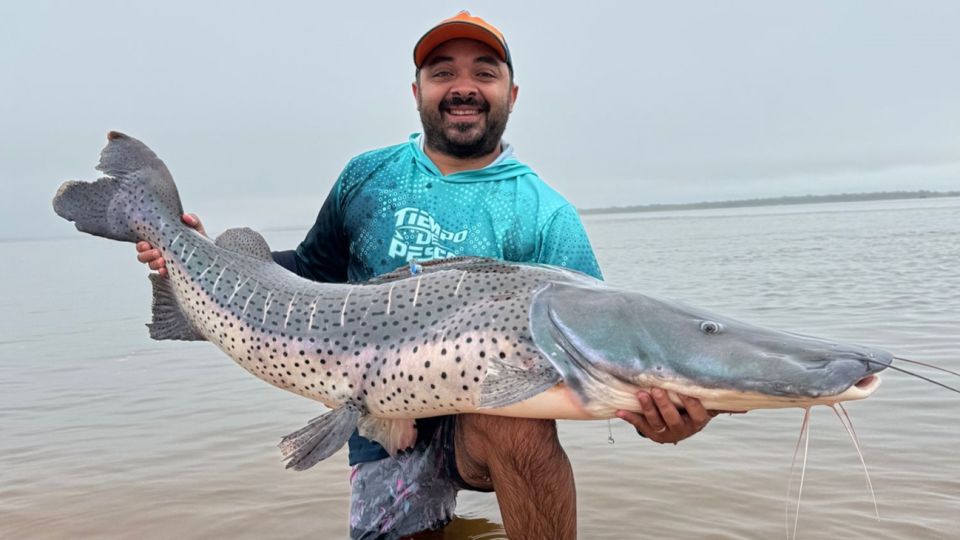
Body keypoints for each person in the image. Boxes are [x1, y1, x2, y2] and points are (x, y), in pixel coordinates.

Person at [136, 11, 715, 540]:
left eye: (483, 73)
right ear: (418, 92)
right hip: (378, 420)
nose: (463, 86)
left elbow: (597, 348)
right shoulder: (369, 177)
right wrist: (198, 257)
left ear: (512, 94)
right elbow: (309, 274)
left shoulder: (545, 214)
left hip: (487, 423)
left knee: (521, 429)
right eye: (443, 72)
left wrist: (654, 419)